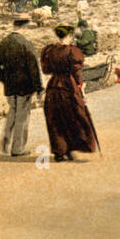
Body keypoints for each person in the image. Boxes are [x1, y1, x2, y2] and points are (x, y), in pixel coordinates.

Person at [39, 25, 101, 162]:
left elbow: (46, 70)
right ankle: (76, 147)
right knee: (75, 117)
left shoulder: (49, 50)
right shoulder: (72, 52)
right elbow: (77, 73)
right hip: (69, 86)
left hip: (53, 86)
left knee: (55, 120)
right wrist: (81, 88)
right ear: (70, 37)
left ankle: (60, 152)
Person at [0, 16, 44, 156]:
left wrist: (4, 79)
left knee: (12, 114)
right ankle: (17, 148)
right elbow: (34, 69)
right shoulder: (26, 44)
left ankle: (6, 141)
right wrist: (39, 88)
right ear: (24, 27)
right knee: (22, 117)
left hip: (10, 86)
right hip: (25, 86)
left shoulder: (4, 43)